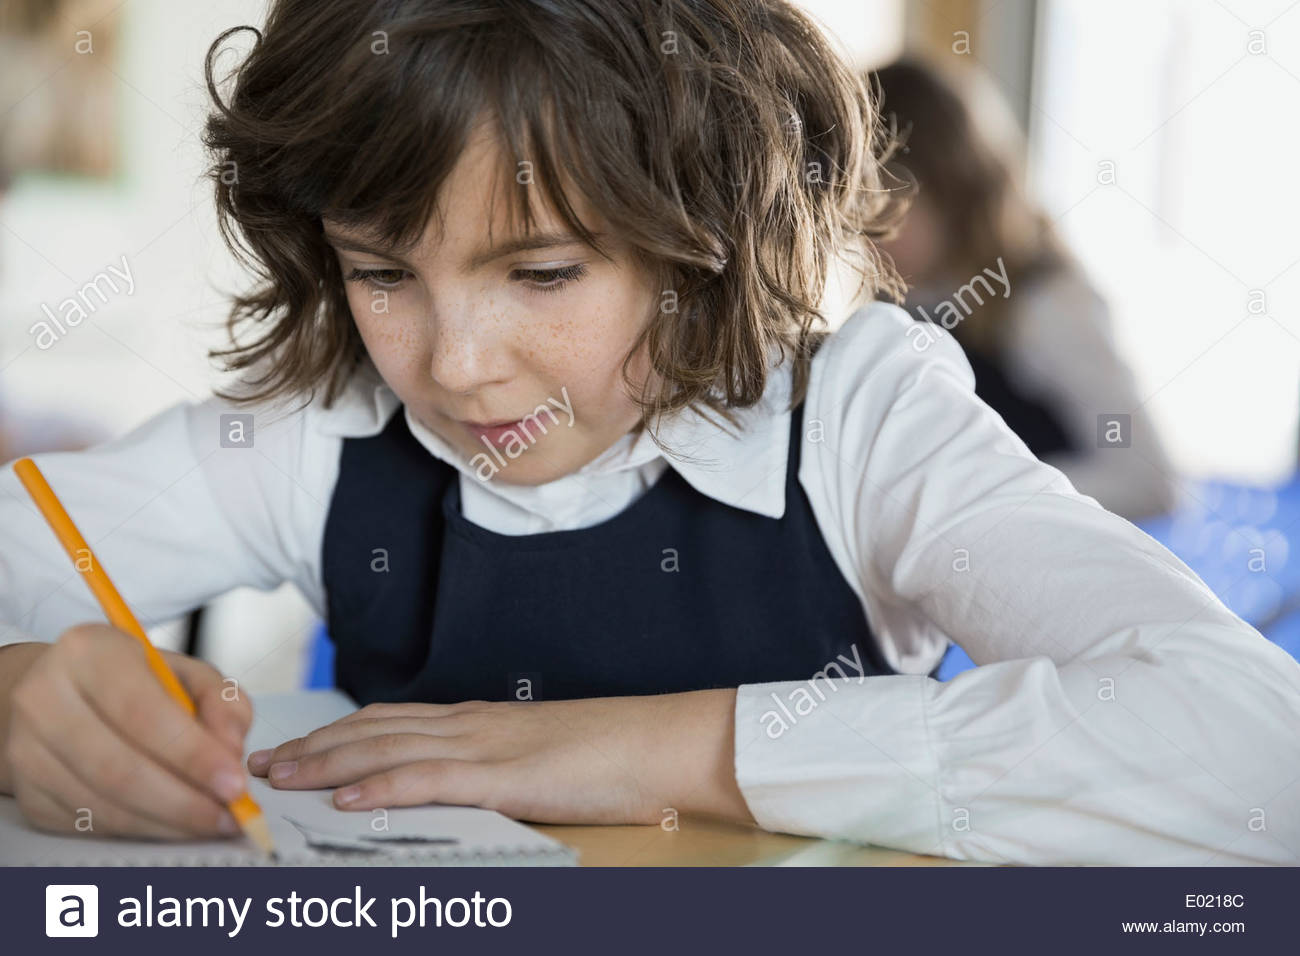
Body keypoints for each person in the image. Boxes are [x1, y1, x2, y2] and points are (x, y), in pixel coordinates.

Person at [0, 0, 1296, 866]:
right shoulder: (316, 433)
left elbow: (1257, 750)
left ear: (713, 244)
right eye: (382, 273)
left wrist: (656, 746)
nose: (451, 367)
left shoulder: (862, 423)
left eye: (545, 276)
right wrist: (15, 697)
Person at [870, 57, 1178, 520]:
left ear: (951, 187)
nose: (868, 231)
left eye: (885, 202)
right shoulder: (904, 301)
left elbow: (1149, 481)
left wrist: (988, 488)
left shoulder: (1047, 304)